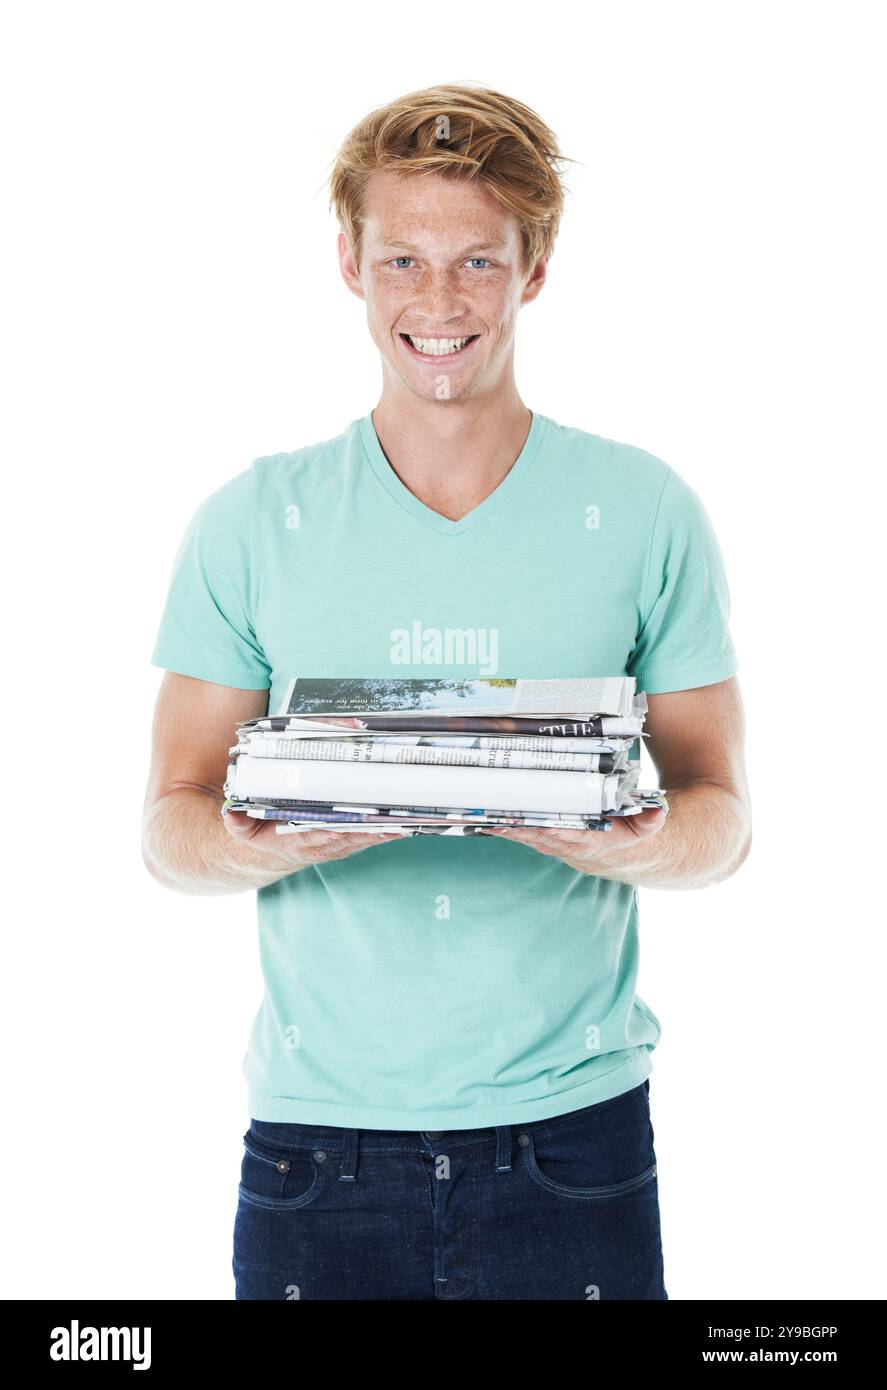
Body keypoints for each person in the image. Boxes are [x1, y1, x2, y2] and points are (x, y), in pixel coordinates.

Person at [142, 83, 752, 1301]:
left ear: (532, 271)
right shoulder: (253, 521)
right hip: (317, 1150)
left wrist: (619, 842)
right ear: (349, 266)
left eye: (476, 259)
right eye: (402, 259)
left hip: (574, 1142)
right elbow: (169, 826)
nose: (436, 301)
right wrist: (271, 843)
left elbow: (720, 819)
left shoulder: (643, 511)